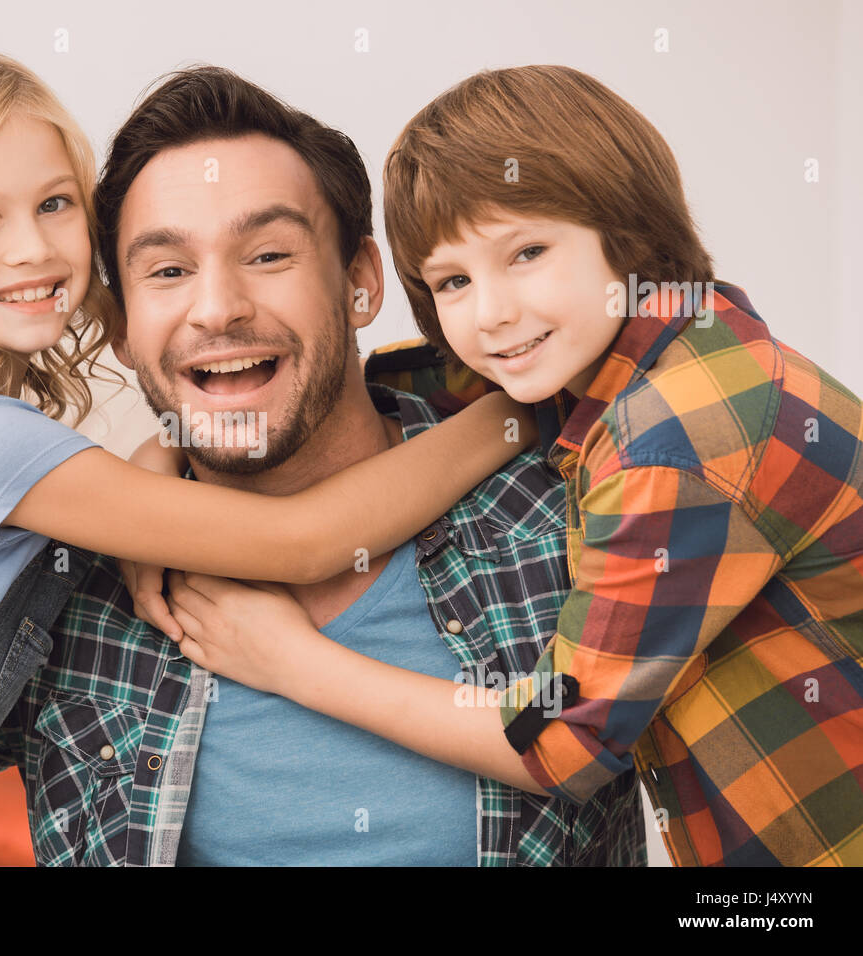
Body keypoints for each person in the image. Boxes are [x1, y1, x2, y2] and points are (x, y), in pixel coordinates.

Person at [0, 65, 647, 866]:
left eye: (266, 255)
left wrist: (533, 415)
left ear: (359, 279)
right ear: (117, 321)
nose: (215, 307)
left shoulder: (577, 505)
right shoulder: (68, 581)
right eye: (167, 270)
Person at [165, 65, 863, 867]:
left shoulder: (670, 444)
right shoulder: (662, 339)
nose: (491, 313)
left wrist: (293, 662)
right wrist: (166, 446)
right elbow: (405, 378)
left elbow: (565, 740)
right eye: (453, 281)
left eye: (526, 252)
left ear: (627, 232)